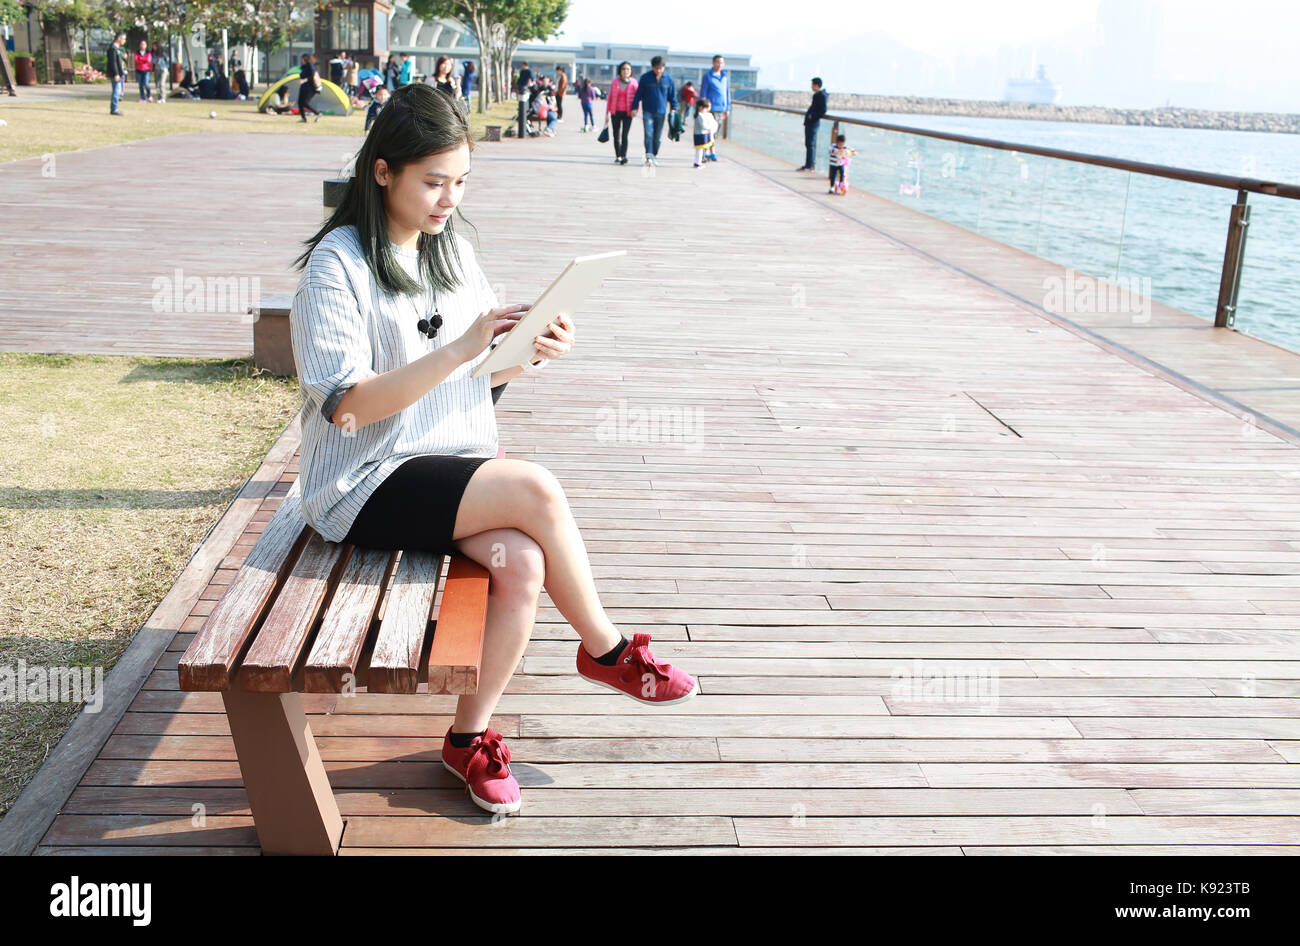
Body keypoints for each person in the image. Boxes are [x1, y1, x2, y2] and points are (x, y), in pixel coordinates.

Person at [288, 83, 698, 814]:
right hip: (360, 480)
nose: (450, 199)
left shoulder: (450, 249)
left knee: (524, 563)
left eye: (461, 181)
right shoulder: (337, 266)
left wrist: (527, 353)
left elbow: (477, 375)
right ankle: (606, 650)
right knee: (535, 489)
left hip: (442, 462)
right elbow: (347, 406)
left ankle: (467, 739)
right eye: (434, 181)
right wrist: (459, 350)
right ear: (383, 171)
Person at [631, 55, 676, 167]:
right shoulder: (645, 78)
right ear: (652, 67)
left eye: (660, 68)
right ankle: (649, 157)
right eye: (656, 68)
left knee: (657, 137)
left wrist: (674, 108)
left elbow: (672, 95)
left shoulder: (668, 79)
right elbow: (638, 94)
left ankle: (654, 154)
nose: (658, 70)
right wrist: (634, 107)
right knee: (648, 135)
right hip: (648, 111)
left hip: (661, 112)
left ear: (664, 67)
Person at [602, 61, 636, 165]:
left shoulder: (634, 83)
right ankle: (618, 155)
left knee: (625, 135)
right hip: (615, 112)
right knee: (616, 134)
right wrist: (607, 113)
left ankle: (624, 155)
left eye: (628, 69)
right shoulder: (615, 82)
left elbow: (637, 98)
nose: (625, 71)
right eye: (623, 69)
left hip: (628, 113)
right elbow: (610, 98)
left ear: (631, 71)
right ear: (620, 71)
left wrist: (636, 109)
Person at [698, 55, 730, 160]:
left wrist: (728, 108)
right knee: (709, 131)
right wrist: (703, 107)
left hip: (721, 108)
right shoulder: (708, 76)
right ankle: (710, 152)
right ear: (713, 63)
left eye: (721, 62)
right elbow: (703, 92)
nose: (719, 64)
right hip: (710, 109)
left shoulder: (725, 77)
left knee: (715, 132)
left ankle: (709, 150)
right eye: (718, 62)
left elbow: (727, 92)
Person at [798, 76, 828, 171]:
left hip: (813, 123)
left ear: (817, 85)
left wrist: (813, 116)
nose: (811, 87)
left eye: (812, 85)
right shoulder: (818, 95)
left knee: (810, 144)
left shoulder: (821, 95)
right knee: (808, 144)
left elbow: (823, 110)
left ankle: (810, 165)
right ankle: (808, 164)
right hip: (810, 122)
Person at [692, 96, 717, 167]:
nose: (706, 110)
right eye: (705, 108)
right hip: (700, 135)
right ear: (701, 107)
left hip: (701, 134)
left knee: (700, 149)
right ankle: (698, 163)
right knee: (699, 149)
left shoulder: (700, 115)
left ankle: (698, 162)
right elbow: (703, 126)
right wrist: (710, 127)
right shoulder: (700, 116)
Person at [105, 32, 126, 115]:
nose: (124, 41)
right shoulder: (113, 49)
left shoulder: (117, 49)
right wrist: (116, 74)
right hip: (115, 74)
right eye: (123, 39)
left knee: (119, 91)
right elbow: (113, 62)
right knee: (117, 91)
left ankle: (115, 107)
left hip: (120, 73)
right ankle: (114, 109)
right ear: (118, 38)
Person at [298, 53, 321, 123]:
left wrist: (305, 80)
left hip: (310, 87)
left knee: (305, 103)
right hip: (303, 86)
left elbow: (312, 76)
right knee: (300, 103)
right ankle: (303, 118)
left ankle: (318, 113)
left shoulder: (310, 66)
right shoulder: (303, 67)